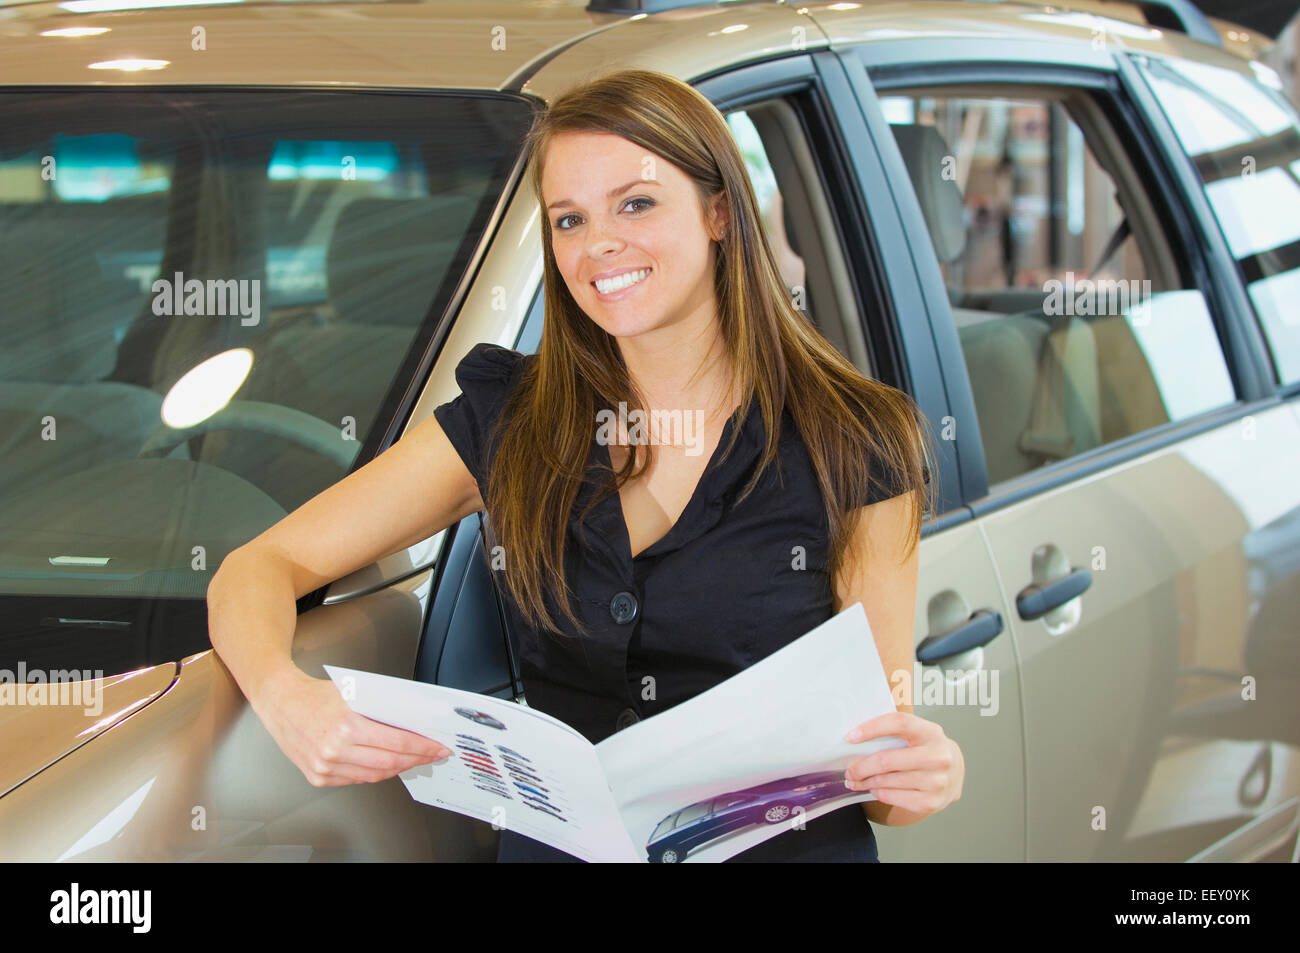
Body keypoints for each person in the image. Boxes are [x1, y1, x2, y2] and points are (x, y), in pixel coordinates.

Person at [207, 68, 964, 864]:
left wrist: (923, 775)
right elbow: (259, 565)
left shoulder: (855, 441)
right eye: (569, 219)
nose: (599, 243)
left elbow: (882, 777)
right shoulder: (512, 420)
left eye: (635, 203)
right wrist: (287, 700)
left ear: (717, 211)